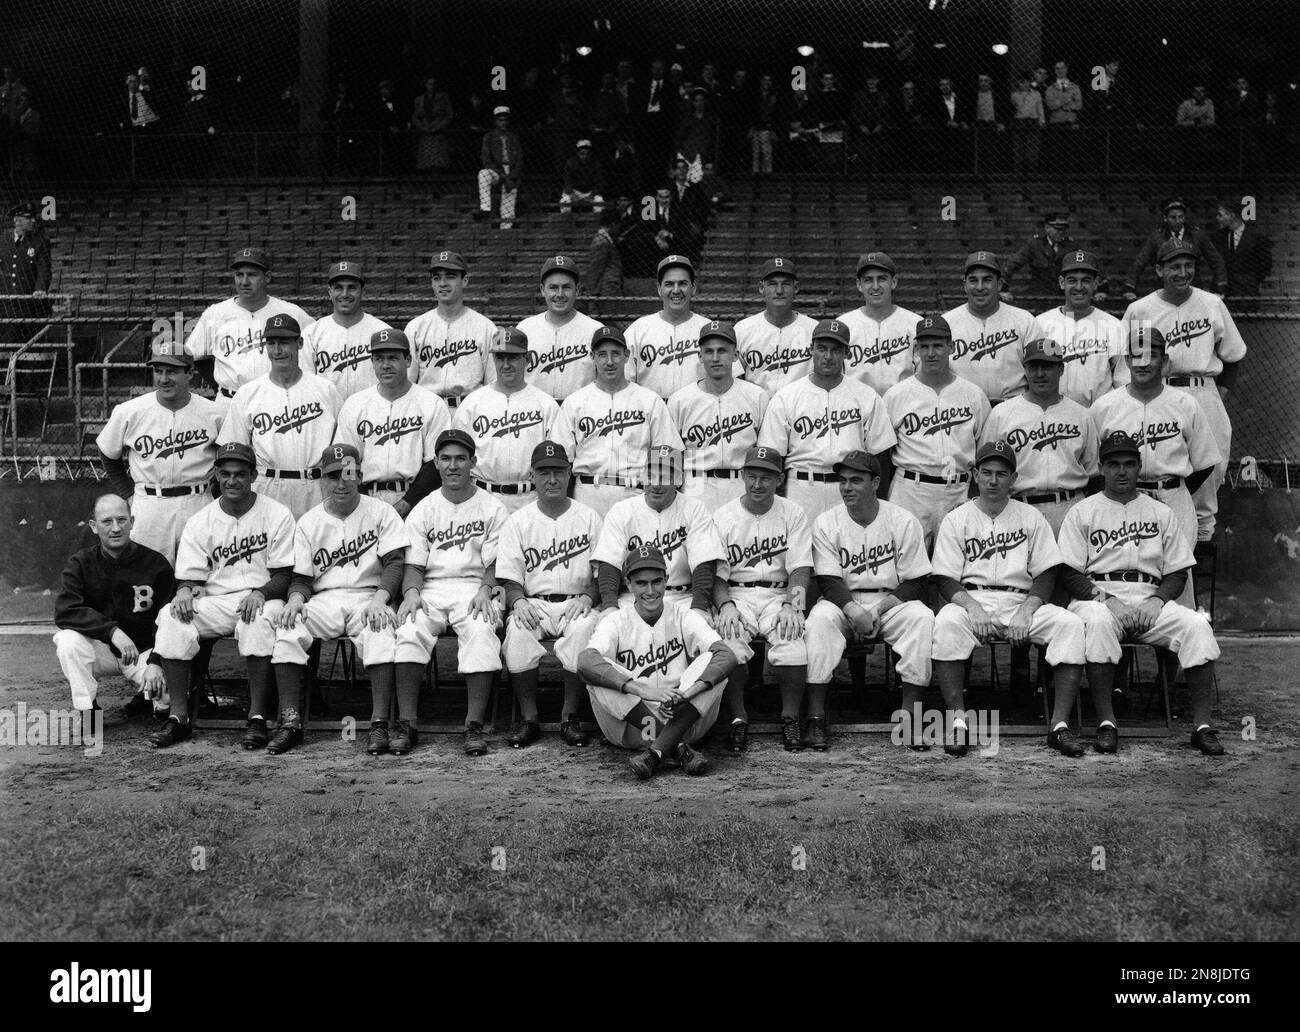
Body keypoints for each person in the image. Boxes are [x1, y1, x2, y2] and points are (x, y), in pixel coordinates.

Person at [1059, 430, 1226, 756]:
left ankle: (1202, 726)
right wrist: (1104, 600)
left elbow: (1178, 570)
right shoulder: (1083, 510)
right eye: (1114, 464)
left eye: (1129, 464)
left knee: (1196, 624)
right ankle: (1107, 722)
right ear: (1103, 469)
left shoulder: (1160, 511)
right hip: (1099, 594)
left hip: (1150, 595)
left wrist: (1158, 600)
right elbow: (1068, 571)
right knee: (1097, 619)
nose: (1122, 471)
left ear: (1139, 468)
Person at [930, 441, 1088, 757]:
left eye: (1001, 474)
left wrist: (1028, 609)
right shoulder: (957, 518)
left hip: (1020, 602)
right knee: (946, 622)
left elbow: (1046, 572)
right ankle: (958, 723)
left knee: (1070, 624)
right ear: (974, 475)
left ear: (1013, 479)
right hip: (972, 599)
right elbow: (944, 577)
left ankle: (1059, 726)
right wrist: (972, 607)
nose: (993, 480)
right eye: (986, 473)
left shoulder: (1030, 517)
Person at [150, 442, 293, 750]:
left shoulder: (277, 514)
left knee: (258, 622)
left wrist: (261, 593)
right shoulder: (201, 520)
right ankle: (178, 717)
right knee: (172, 618)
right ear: (215, 474)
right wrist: (185, 591)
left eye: (240, 474)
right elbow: (189, 575)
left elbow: (284, 575)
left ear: (254, 475)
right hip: (216, 600)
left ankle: (257, 717)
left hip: (263, 596)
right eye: (225, 473)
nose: (232, 481)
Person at [272, 444, 406, 754]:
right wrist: (294, 600)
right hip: (324, 598)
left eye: (348, 474)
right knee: (288, 628)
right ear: (322, 479)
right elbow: (303, 578)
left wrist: (382, 599)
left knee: (381, 629)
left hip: (369, 596)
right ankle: (291, 721)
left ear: (360, 475)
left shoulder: (381, 512)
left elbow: (395, 562)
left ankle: (380, 723)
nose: (341, 482)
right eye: (333, 476)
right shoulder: (309, 521)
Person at [803, 451, 934, 752]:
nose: (847, 487)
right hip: (841, 601)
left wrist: (879, 609)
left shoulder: (902, 520)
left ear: (876, 482)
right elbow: (828, 579)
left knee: (922, 618)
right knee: (819, 622)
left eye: (856, 481)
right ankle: (815, 717)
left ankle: (911, 718)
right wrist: (852, 610)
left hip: (890, 602)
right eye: (843, 480)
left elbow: (916, 580)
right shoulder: (827, 522)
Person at [577, 545, 738, 779]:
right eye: (641, 583)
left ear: (666, 580)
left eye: (656, 581)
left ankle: (657, 751)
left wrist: (687, 693)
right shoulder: (616, 621)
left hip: (682, 715)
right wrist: (642, 689)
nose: (650, 590)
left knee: (714, 665)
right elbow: (585, 662)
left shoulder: (683, 615)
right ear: (628, 583)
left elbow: (726, 655)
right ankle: (677, 746)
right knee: (600, 675)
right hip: (633, 725)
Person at [395, 428, 507, 757]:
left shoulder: (492, 506)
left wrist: (487, 590)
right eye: (446, 458)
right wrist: (412, 592)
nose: (453, 465)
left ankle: (473, 725)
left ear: (473, 462)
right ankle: (406, 723)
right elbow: (413, 564)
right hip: (431, 586)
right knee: (409, 627)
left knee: (481, 628)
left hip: (474, 587)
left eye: (461, 458)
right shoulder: (424, 508)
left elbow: (496, 563)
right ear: (437, 463)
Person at [1120, 243, 1242, 542]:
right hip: (1158, 392)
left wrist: (1218, 396)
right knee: (1158, 465)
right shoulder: (1141, 309)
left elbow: (1234, 356)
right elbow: (1131, 361)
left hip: (1203, 389)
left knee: (1209, 472)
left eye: (1189, 265)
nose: (1183, 272)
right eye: (1174, 266)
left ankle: (1199, 548)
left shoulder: (1212, 303)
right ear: (1160, 270)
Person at [1090, 324, 1219, 605]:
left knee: (1177, 583)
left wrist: (1176, 489)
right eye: (1137, 355)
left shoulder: (1186, 403)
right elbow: (1092, 465)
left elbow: (1205, 461)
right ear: (1126, 361)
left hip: (1173, 497)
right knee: (1121, 577)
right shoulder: (1105, 406)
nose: (1144, 362)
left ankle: (1173, 648)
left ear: (1165, 360)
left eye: (1152, 355)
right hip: (1120, 500)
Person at [495, 441, 604, 749]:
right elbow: (509, 575)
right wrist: (516, 600)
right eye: (544, 472)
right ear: (533, 476)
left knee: (583, 631)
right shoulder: (518, 521)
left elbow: (604, 572)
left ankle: (569, 716)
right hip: (535, 601)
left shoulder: (590, 517)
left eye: (558, 472)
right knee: (517, 632)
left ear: (570, 474)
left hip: (577, 600)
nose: (552, 479)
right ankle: (529, 718)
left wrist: (589, 597)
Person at [712, 446, 811, 752]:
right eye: (752, 476)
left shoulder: (793, 512)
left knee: (791, 638)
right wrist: (725, 605)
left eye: (766, 477)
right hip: (738, 593)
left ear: (779, 479)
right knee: (730, 639)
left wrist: (793, 605)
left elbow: (801, 567)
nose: (758, 484)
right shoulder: (724, 515)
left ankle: (790, 717)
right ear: (742, 476)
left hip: (779, 594)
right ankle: (738, 717)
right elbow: (716, 574)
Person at [95, 339, 223, 565]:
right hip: (149, 504)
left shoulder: (214, 413)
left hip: (198, 501)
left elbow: (227, 456)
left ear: (190, 373)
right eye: (158, 371)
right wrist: (128, 492)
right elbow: (107, 452)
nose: (164, 379)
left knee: (200, 573)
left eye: (172, 371)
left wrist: (216, 491)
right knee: (146, 576)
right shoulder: (130, 411)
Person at [759, 318, 896, 524]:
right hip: (801, 488)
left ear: (846, 353)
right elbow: (772, 456)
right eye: (822, 348)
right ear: (811, 350)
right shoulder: (787, 396)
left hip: (850, 488)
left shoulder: (866, 396)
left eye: (836, 350)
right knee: (801, 554)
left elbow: (880, 456)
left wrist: (877, 500)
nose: (828, 356)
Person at [53, 494, 173, 723]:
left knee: (166, 697)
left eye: (122, 520)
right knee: (67, 640)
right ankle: (88, 709)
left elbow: (169, 622)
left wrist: (156, 661)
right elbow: (65, 610)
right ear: (94, 526)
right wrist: (112, 632)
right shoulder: (80, 562)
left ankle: (150, 697)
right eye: (107, 521)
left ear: (132, 522)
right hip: (101, 650)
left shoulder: (156, 563)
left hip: (144, 651)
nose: (116, 528)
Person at [217, 314, 342, 520]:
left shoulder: (326, 390)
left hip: (315, 486)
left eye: (284, 342)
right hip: (266, 486)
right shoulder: (249, 393)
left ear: (299, 343)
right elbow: (233, 449)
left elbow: (342, 447)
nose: (277, 350)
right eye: (271, 343)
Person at [883, 315, 990, 548]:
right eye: (925, 346)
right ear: (917, 350)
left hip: (958, 490)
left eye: (938, 345)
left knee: (955, 565)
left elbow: (986, 451)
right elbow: (881, 451)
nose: (931, 353)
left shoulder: (973, 395)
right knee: (906, 565)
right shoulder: (897, 395)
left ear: (950, 347)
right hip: (911, 489)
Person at [561, 324, 684, 520]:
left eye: (616, 354)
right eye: (602, 354)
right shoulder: (574, 402)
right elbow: (562, 459)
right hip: (587, 493)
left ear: (627, 355)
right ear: (592, 357)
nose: (609, 361)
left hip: (634, 492)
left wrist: (659, 503)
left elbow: (668, 452)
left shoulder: (649, 400)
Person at [593, 444, 726, 618]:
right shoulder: (622, 511)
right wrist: (610, 605)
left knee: (702, 630)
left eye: (663, 477)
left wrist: (700, 606)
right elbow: (609, 562)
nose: (655, 484)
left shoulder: (695, 509)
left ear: (678, 479)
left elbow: (704, 562)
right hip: (633, 597)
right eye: (650, 475)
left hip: (683, 597)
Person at [982, 339, 1099, 534]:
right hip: (1018, 507)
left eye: (1047, 367)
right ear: (1024, 369)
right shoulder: (1002, 414)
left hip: (1070, 507)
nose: (1039, 374)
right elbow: (986, 468)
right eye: (1033, 367)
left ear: (1061, 369)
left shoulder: (1081, 415)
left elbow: (1094, 472)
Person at [453, 326, 573, 515]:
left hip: (530, 499)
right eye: (500, 358)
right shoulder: (473, 403)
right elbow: (458, 455)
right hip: (481, 497)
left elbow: (560, 458)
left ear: (526, 359)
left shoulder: (546, 404)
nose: (506, 364)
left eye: (513, 357)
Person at [182, 246, 316, 409]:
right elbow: (194, 356)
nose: (244, 282)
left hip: (276, 401)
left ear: (267, 277)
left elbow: (315, 351)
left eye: (252, 275)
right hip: (229, 401)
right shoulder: (215, 313)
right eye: (239, 275)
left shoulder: (291, 312)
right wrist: (218, 385)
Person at [333, 328, 450, 513]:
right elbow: (346, 460)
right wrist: (364, 502)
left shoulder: (431, 403)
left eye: (393, 358)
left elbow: (435, 464)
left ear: (409, 360)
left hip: (416, 501)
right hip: (364, 498)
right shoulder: (355, 404)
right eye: (379, 358)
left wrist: (407, 504)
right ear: (372, 362)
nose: (386, 365)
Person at [668, 320, 767, 512]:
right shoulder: (679, 400)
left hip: (741, 482)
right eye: (708, 351)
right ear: (700, 356)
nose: (715, 358)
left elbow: (766, 451)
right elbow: (666, 454)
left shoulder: (757, 396)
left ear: (735, 355)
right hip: (695, 483)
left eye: (722, 351)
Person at [1029, 250, 1127, 407]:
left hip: (1099, 414)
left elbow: (1123, 380)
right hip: (1054, 415)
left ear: (1096, 283)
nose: (1079, 287)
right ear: (1062, 282)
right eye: (1072, 280)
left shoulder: (1114, 325)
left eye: (1086, 281)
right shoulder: (1041, 324)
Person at [405, 249, 498, 411]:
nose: (442, 284)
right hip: (427, 409)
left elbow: (494, 382)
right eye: (437, 278)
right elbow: (407, 382)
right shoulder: (415, 327)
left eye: (450, 276)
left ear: (465, 280)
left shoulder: (488, 327)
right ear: (432, 283)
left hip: (470, 409)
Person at [943, 251, 1037, 406]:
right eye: (973, 280)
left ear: (999, 284)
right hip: (962, 408)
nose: (980, 287)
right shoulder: (947, 323)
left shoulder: (1024, 320)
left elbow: (1037, 371)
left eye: (987, 280)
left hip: (1013, 406)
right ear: (964, 285)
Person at [625, 254, 720, 400]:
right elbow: (625, 382)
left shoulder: (709, 330)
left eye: (682, 283)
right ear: (659, 289)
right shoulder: (637, 330)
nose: (676, 290)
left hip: (698, 411)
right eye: (669, 284)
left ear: (693, 288)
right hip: (651, 412)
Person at [516, 255, 603, 398]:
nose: (560, 294)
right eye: (553, 288)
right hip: (534, 414)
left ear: (578, 289)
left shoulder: (594, 331)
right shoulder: (525, 329)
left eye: (567, 287)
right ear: (543, 290)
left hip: (581, 413)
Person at [835, 252, 921, 396]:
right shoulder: (844, 325)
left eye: (882, 279)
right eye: (868, 280)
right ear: (859, 285)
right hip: (858, 407)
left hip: (906, 405)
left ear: (893, 282)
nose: (875, 286)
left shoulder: (915, 324)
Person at [304, 261, 393, 400]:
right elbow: (306, 383)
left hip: (372, 415)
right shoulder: (311, 333)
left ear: (363, 291)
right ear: (330, 292)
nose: (345, 294)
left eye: (352, 288)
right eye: (338, 288)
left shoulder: (383, 332)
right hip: (326, 413)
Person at [735, 255, 818, 396]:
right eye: (772, 284)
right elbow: (734, 380)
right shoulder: (742, 330)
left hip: (802, 410)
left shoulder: (813, 330)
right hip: (757, 409)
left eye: (786, 284)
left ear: (796, 287)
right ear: (761, 288)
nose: (779, 290)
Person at [1123, 198, 1227, 298]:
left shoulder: (1197, 235)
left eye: (1181, 217)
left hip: (1192, 288)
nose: (1178, 221)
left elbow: (1216, 261)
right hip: (1166, 290)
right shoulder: (1156, 237)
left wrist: (1221, 287)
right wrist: (1129, 287)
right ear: (1165, 218)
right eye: (1173, 217)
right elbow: (1140, 262)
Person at [1001, 213, 1090, 302]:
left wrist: (1100, 290)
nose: (1061, 232)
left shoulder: (1072, 245)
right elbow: (1012, 264)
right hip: (1040, 295)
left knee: (1069, 315)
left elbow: (1088, 265)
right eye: (1057, 229)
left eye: (1064, 229)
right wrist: (1002, 289)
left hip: (1064, 296)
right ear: (1047, 228)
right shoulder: (1035, 244)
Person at [1212, 196, 1274, 296]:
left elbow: (1266, 265)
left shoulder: (1257, 237)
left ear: (1231, 215)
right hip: (1220, 294)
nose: (1217, 218)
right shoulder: (1217, 237)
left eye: (1220, 215)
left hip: (1247, 293)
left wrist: (1250, 281)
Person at [3, 200, 51, 326]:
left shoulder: (40, 241)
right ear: (17, 220)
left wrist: (40, 288)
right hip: (5, 307)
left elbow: (44, 268)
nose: (34, 221)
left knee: (32, 343)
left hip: (30, 306)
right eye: (29, 218)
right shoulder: (3, 240)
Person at [475, 106, 523, 229]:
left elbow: (519, 160)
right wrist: (502, 175)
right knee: (483, 174)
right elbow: (486, 160)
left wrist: (511, 176)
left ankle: (506, 227)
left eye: (505, 120)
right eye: (500, 120)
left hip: (510, 170)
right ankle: (485, 208)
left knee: (508, 199)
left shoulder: (513, 137)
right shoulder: (489, 137)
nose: (504, 123)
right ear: (495, 122)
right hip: (496, 170)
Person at [411, 77, 453, 173]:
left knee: (439, 160)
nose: (431, 86)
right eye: (429, 84)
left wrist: (439, 126)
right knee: (426, 159)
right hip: (425, 129)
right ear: (425, 86)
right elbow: (415, 116)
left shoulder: (443, 97)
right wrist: (422, 126)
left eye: (433, 84)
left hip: (438, 129)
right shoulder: (419, 99)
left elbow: (449, 114)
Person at [586, 209, 625, 309]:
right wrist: (593, 295)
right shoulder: (601, 241)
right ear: (613, 224)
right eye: (618, 224)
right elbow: (595, 269)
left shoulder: (607, 239)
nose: (619, 228)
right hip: (605, 289)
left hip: (610, 287)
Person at [1009, 72, 1044, 174]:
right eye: (1021, 82)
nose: (1023, 84)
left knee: (1032, 148)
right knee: (1018, 148)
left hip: (1033, 121)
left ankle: (1031, 172)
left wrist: (1042, 121)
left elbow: (1040, 108)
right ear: (1018, 83)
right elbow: (1012, 109)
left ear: (1029, 82)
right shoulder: (1014, 95)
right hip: (1019, 121)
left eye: (1026, 82)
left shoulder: (1036, 94)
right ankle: (1017, 172)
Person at [560, 139, 605, 214]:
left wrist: (591, 195)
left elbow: (599, 182)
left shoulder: (596, 164)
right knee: (565, 202)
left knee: (599, 203)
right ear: (577, 152)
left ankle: (594, 224)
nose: (584, 155)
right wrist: (572, 194)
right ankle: (567, 224)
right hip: (574, 191)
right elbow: (567, 181)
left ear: (590, 153)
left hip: (590, 192)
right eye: (582, 152)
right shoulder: (570, 163)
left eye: (587, 152)